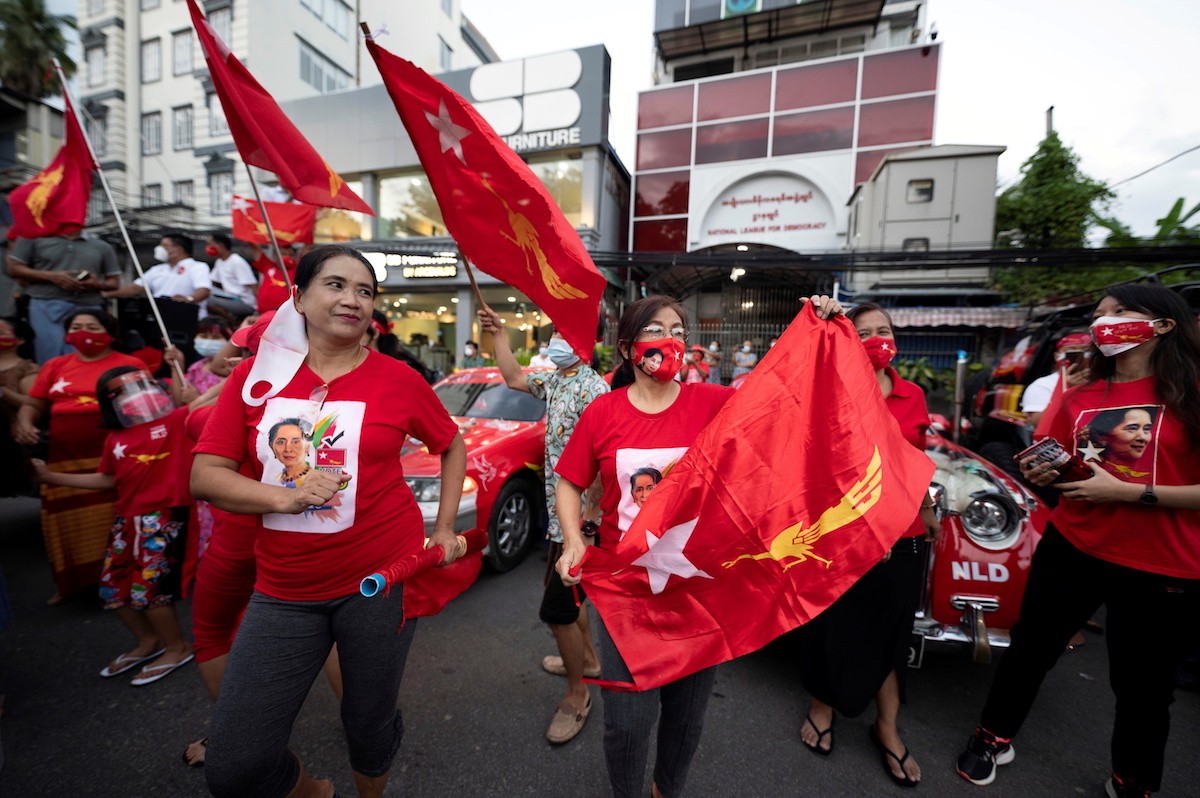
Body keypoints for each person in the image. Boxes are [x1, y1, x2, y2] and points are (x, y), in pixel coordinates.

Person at [191, 244, 467, 798]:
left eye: (365, 291)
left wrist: (442, 528)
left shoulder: (401, 379)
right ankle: (311, 790)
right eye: (336, 285)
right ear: (298, 297)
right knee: (235, 766)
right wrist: (281, 497)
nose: (352, 299)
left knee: (368, 723)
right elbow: (206, 475)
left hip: (379, 583)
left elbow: (450, 442)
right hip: (283, 592)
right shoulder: (254, 379)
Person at [554, 293, 843, 797]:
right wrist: (574, 539)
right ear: (626, 347)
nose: (673, 341)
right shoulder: (602, 413)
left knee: (686, 717)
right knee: (627, 722)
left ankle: (667, 789)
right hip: (627, 595)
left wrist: (817, 331)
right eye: (656, 330)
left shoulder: (714, 404)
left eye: (680, 332)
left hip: (701, 589)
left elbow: (785, 399)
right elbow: (570, 483)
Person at [955, 284, 1200, 798]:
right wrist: (1044, 472)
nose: (1101, 322)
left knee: (1143, 688)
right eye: (1099, 315)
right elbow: (1070, 466)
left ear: (1163, 325)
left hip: (1162, 566)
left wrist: (1130, 492)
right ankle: (993, 735)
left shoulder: (1193, 396)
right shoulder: (1083, 396)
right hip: (1073, 545)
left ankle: (1132, 780)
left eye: (1118, 312)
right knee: (1028, 651)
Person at [795, 302, 939, 788]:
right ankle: (823, 707)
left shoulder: (913, 395)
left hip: (903, 537)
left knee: (892, 635)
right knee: (831, 625)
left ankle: (887, 728)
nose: (879, 338)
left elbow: (916, 463)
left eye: (886, 330)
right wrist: (820, 318)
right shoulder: (829, 391)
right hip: (841, 536)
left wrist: (927, 511)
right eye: (865, 332)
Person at [478, 306, 607, 745]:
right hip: (557, 521)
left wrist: (586, 525)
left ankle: (578, 695)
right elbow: (515, 377)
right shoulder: (557, 380)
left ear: (587, 343)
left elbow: (604, 462)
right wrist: (497, 334)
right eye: (554, 331)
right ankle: (588, 662)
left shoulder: (594, 389)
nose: (555, 339)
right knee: (573, 602)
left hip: (577, 525)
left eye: (564, 332)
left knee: (556, 610)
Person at [31, 366, 195, 684]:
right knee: (111, 587)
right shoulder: (115, 438)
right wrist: (49, 476)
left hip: (163, 517)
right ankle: (149, 641)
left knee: (150, 590)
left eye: (144, 386)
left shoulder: (176, 420)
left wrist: (175, 367)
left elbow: (207, 401)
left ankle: (177, 646)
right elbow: (109, 478)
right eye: (124, 391)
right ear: (111, 403)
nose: (139, 396)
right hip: (126, 520)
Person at [12, 309, 145, 605]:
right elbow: (34, 404)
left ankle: (120, 583)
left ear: (110, 332)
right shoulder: (56, 365)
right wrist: (24, 422)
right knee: (65, 522)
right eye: (77, 326)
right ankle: (70, 583)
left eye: (92, 326)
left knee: (111, 521)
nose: (84, 331)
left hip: (113, 457)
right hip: (63, 458)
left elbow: (147, 410)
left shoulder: (129, 364)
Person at [5, 223, 121, 363]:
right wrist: (53, 277)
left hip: (88, 308)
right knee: (47, 354)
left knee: (86, 353)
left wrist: (96, 284)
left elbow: (114, 282)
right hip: (44, 306)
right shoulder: (33, 238)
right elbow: (14, 269)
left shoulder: (102, 246)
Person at [103, 234, 212, 352]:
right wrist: (105, 294)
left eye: (164, 245)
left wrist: (189, 299)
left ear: (178, 249)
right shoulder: (157, 269)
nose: (159, 248)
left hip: (188, 321)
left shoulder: (197, 267)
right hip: (159, 320)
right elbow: (136, 288)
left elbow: (204, 290)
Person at [1020, 333, 1092, 427]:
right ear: (1057, 356)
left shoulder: (1105, 381)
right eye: (1071, 352)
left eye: (1086, 351)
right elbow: (1040, 423)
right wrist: (1069, 390)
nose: (1081, 357)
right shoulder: (1042, 385)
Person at [1082, 406, 1157, 477]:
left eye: (1147, 429)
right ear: (1102, 437)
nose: (1143, 437)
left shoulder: (1155, 471)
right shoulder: (1088, 469)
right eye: (1132, 428)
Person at [204, 233, 258, 322]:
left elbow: (253, 285)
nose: (208, 247)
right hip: (229, 297)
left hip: (244, 302)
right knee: (205, 292)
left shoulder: (236, 261)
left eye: (210, 244)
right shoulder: (219, 262)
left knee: (208, 299)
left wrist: (259, 309)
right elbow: (210, 281)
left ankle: (233, 322)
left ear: (220, 246)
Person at [0, 317, 40, 414]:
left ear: (20, 340)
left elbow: (35, 404)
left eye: (1, 333)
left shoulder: (28, 368)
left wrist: (2, 392)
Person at [185, 316, 233, 395]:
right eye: (203, 336)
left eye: (216, 337)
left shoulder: (231, 369)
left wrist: (195, 399)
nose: (208, 341)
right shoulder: (195, 368)